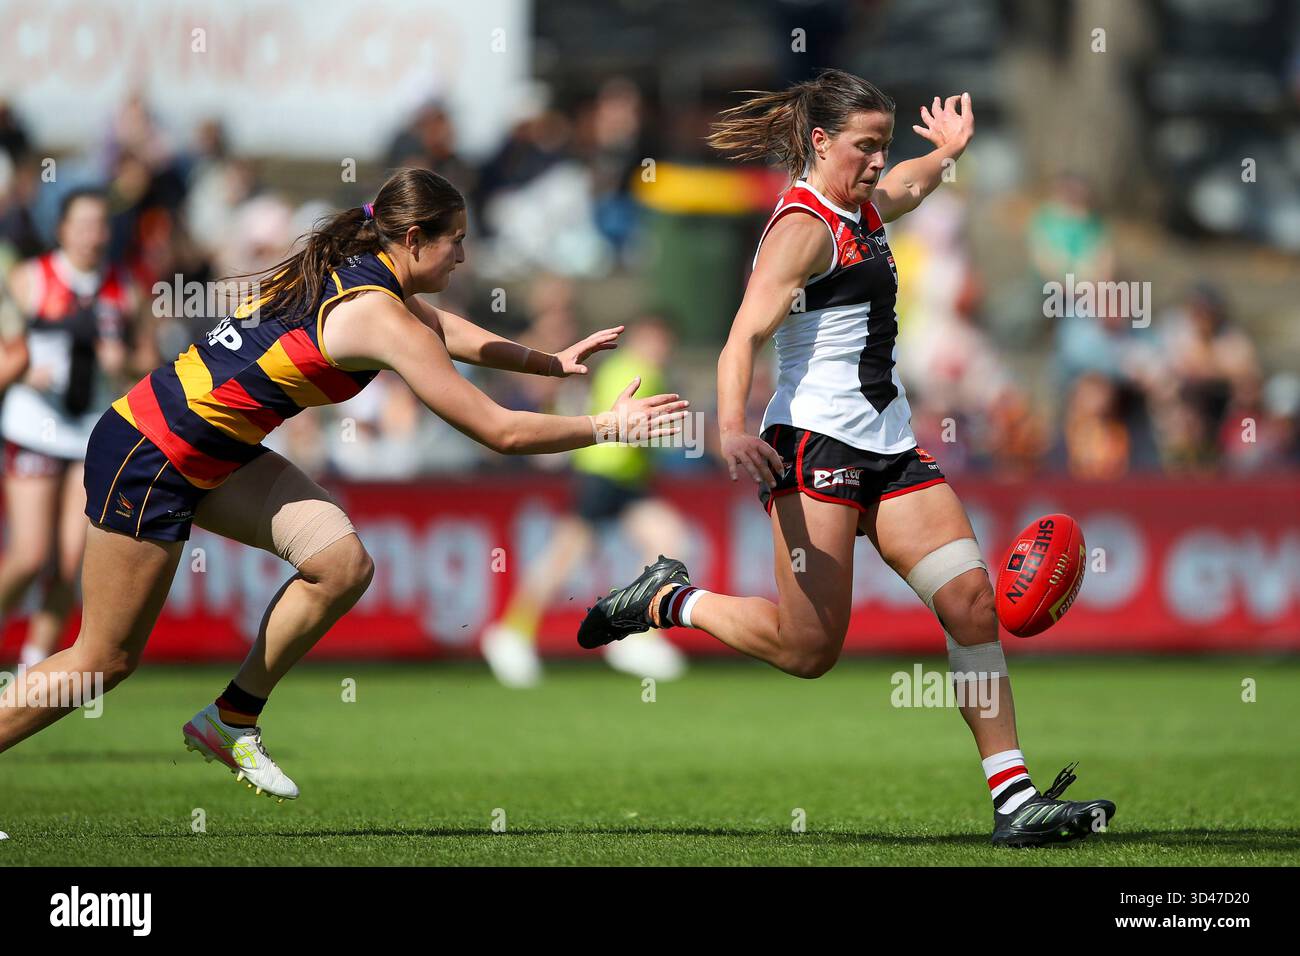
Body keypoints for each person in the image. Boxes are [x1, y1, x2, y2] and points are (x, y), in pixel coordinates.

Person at [0, 168, 688, 805]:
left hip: (209, 448)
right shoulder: (380, 316)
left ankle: (231, 718)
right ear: (414, 240)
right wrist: (607, 425)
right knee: (105, 658)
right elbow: (500, 432)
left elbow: (443, 327)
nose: (463, 259)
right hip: (153, 452)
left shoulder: (363, 271)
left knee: (341, 564)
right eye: (456, 243)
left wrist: (548, 362)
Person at [576, 70, 1115, 847]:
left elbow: (909, 184)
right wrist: (730, 428)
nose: (876, 161)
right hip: (813, 445)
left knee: (970, 602)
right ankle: (669, 600)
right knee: (808, 651)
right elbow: (739, 340)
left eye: (882, 146)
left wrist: (949, 153)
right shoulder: (802, 227)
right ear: (821, 142)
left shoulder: (862, 204)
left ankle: (1015, 799)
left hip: (890, 444)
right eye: (863, 146)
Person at [483, 315, 689, 686]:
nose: (663, 350)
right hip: (604, 475)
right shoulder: (637, 371)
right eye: (659, 341)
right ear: (644, 338)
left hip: (624, 479)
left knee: (666, 541)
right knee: (566, 558)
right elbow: (632, 427)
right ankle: (512, 632)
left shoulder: (627, 368)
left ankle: (634, 634)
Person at [0, 188, 145, 669]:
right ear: (61, 229)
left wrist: (124, 363)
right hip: (33, 426)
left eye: (100, 224)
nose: (92, 235)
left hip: (90, 433)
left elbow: (149, 363)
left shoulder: (124, 287)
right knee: (27, 555)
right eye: (82, 224)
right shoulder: (29, 279)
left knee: (69, 563)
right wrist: (22, 371)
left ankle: (32, 665)